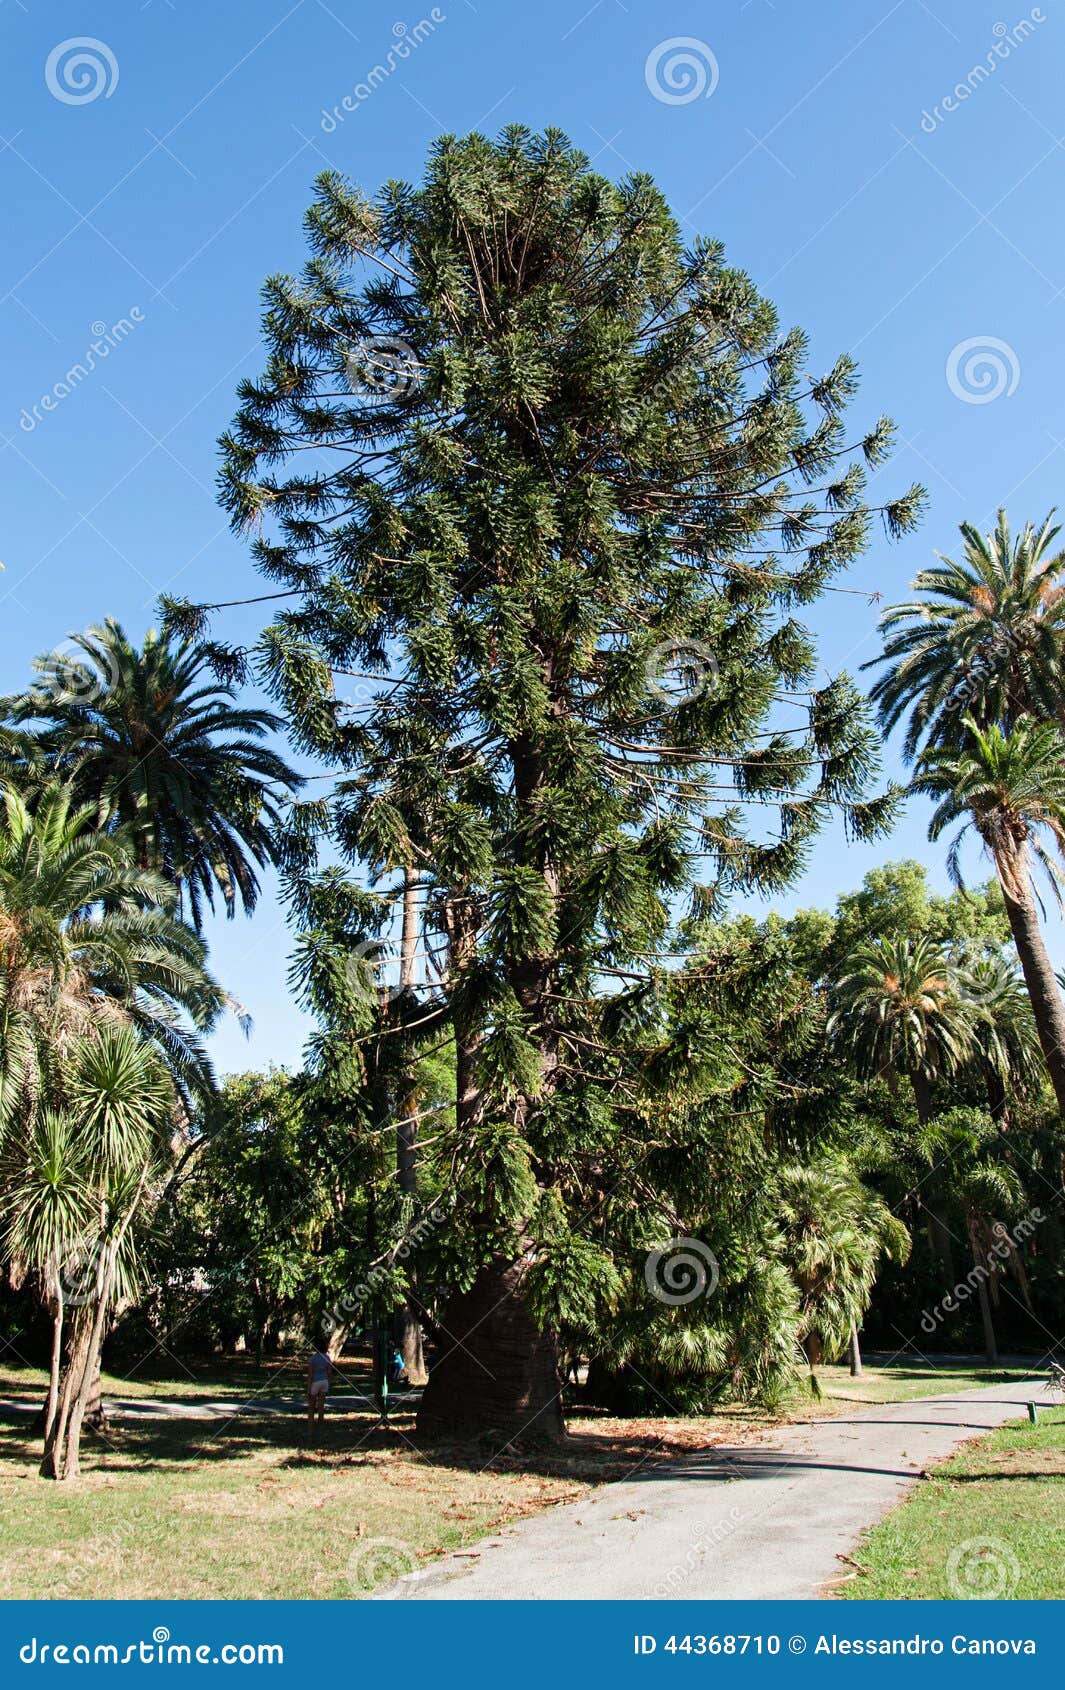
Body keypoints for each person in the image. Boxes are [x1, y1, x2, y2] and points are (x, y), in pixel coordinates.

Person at [306, 1343, 333, 1429]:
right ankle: (320, 1425)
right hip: (324, 1382)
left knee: (311, 1406)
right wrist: (328, 1383)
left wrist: (308, 1388)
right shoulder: (327, 1358)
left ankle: (310, 1427)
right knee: (321, 1406)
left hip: (315, 1382)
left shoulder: (312, 1359)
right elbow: (329, 1372)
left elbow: (310, 1375)